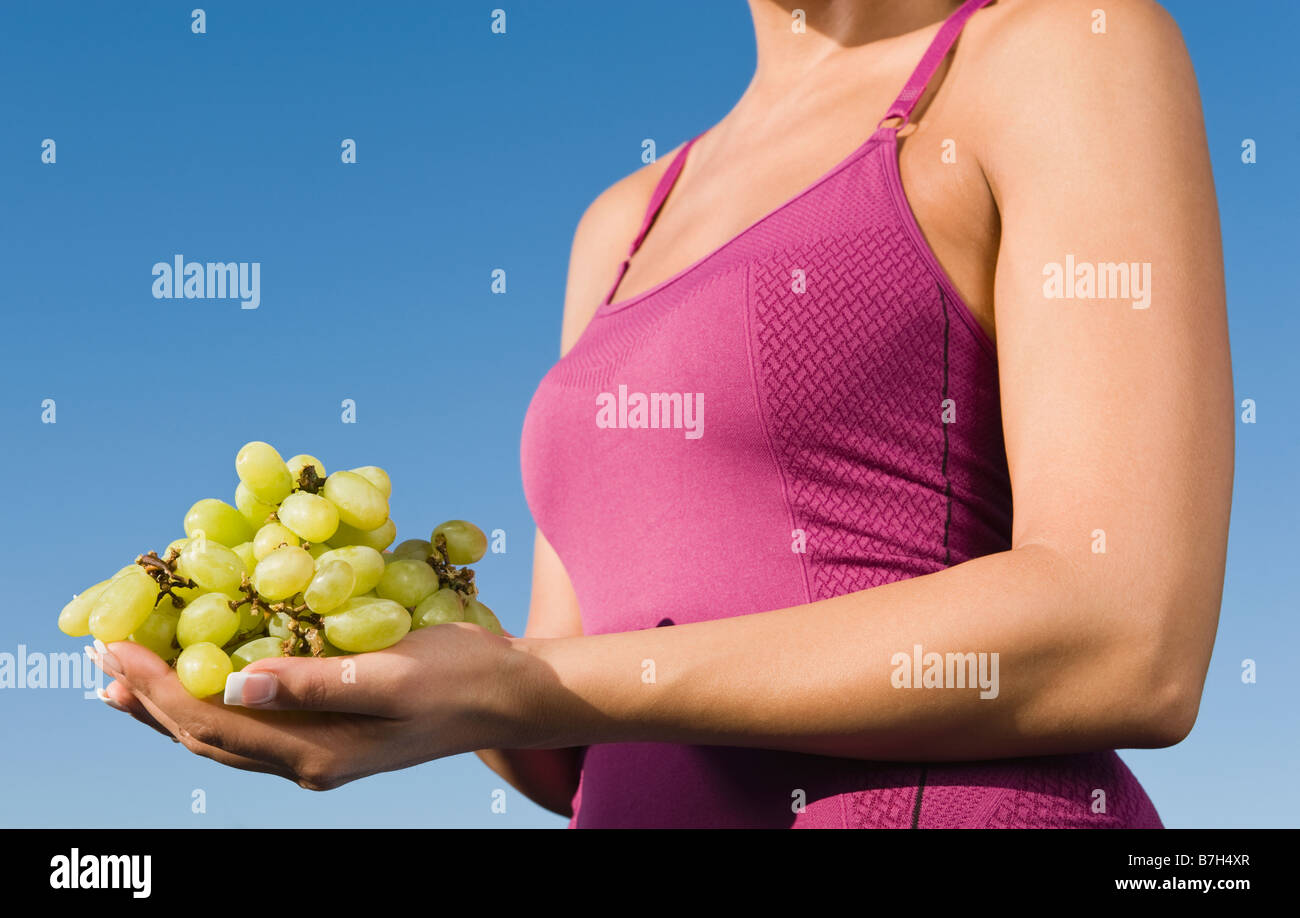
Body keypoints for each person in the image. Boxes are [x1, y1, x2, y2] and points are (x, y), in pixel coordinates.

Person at [97, 0, 1232, 828]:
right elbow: (566, 746)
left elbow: (1126, 638)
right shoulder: (619, 223)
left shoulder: (1059, 51)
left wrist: (527, 686)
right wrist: (416, 684)